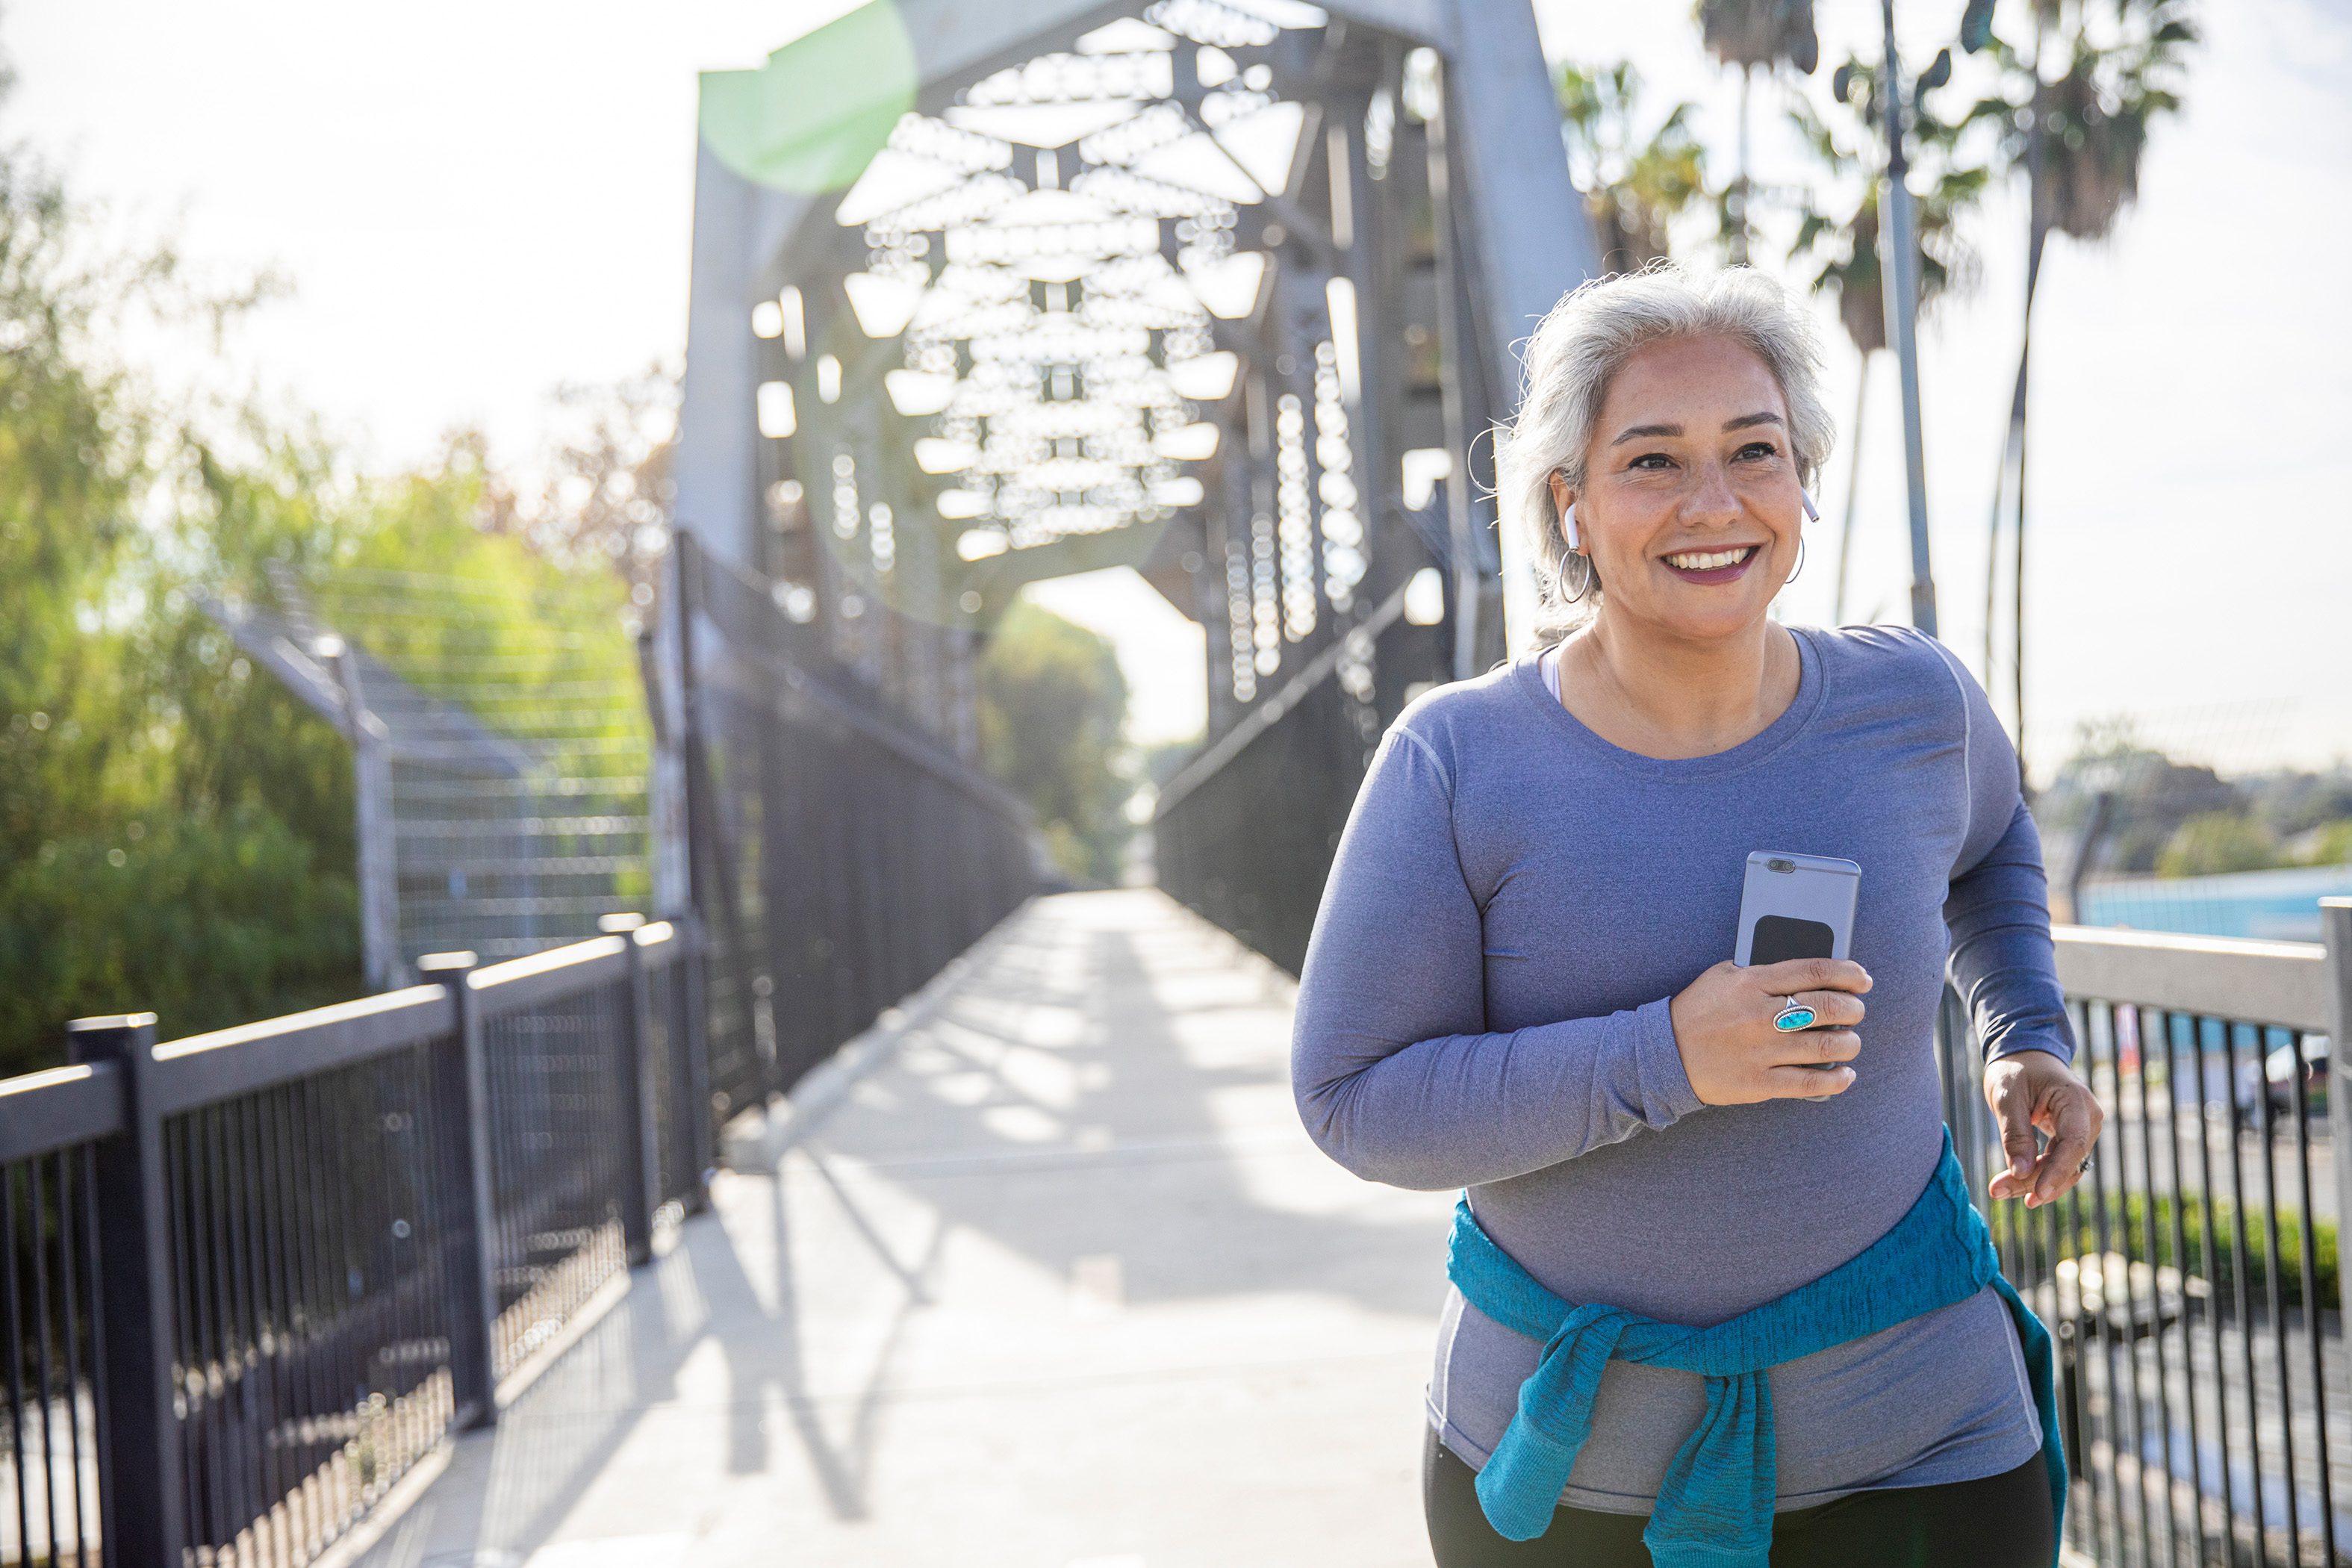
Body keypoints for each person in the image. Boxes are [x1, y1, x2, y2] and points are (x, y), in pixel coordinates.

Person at [1289, 264, 2100, 1568]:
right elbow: (1353, 1100)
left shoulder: (1914, 706)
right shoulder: (1456, 761)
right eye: (1652, 461)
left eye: (1754, 452)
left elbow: (1993, 847)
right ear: (1571, 506)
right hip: (1565, 1491)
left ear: (1801, 484)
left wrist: (2023, 1031)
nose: (1713, 504)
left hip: (1931, 1452)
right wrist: (1663, 1058)